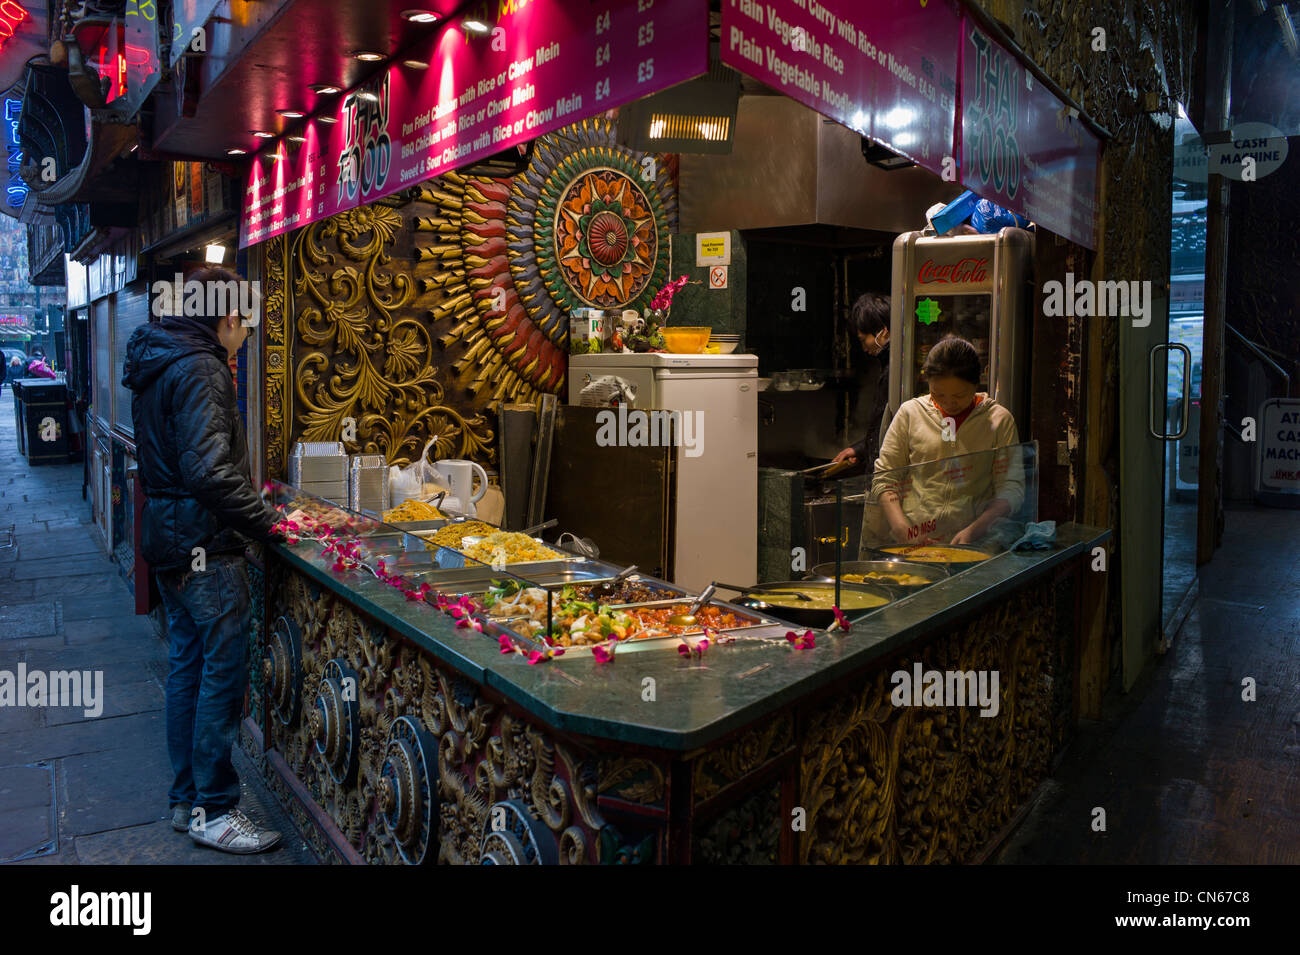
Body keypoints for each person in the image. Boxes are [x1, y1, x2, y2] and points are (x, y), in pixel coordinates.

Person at [122, 266, 296, 854]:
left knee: (187, 668)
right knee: (220, 673)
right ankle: (216, 811)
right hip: (202, 546)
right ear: (226, 318)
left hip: (168, 542)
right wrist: (271, 524)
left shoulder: (161, 358)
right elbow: (207, 470)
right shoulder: (202, 367)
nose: (246, 335)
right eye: (245, 322)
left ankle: (186, 800)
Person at [872, 335, 1024, 546]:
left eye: (960, 395)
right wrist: (902, 529)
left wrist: (976, 529)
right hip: (914, 545)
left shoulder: (999, 420)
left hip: (975, 545)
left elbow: (1011, 487)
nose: (949, 403)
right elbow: (885, 478)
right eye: (938, 394)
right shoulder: (910, 413)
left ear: (977, 381)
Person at [833, 293, 892, 469]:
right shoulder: (889, 365)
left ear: (883, 331)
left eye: (862, 339)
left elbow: (888, 430)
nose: (864, 347)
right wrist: (859, 449)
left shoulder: (894, 372)